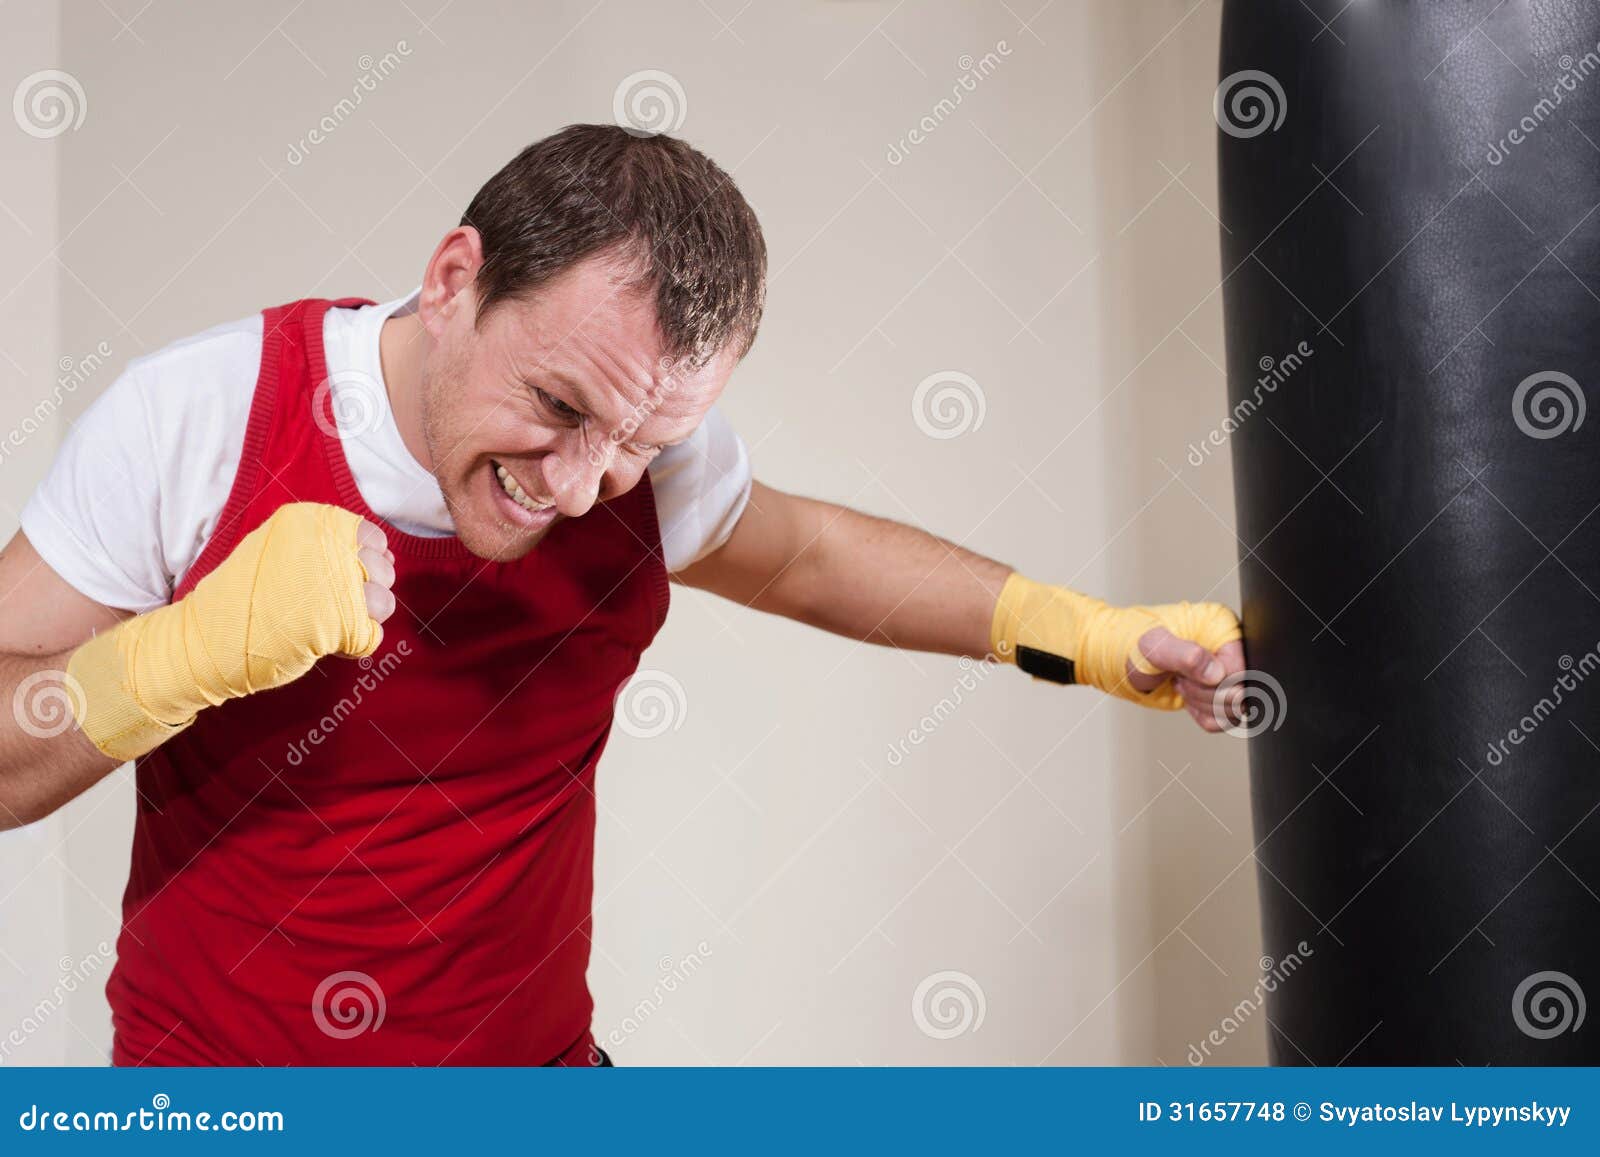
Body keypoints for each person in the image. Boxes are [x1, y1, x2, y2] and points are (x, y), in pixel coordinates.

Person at [0, 124, 1246, 1066]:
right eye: (556, 406)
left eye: (640, 439)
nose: (580, 483)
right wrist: (175, 655)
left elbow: (812, 557)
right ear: (452, 281)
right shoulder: (202, 419)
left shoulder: (640, 469)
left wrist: (1077, 637)